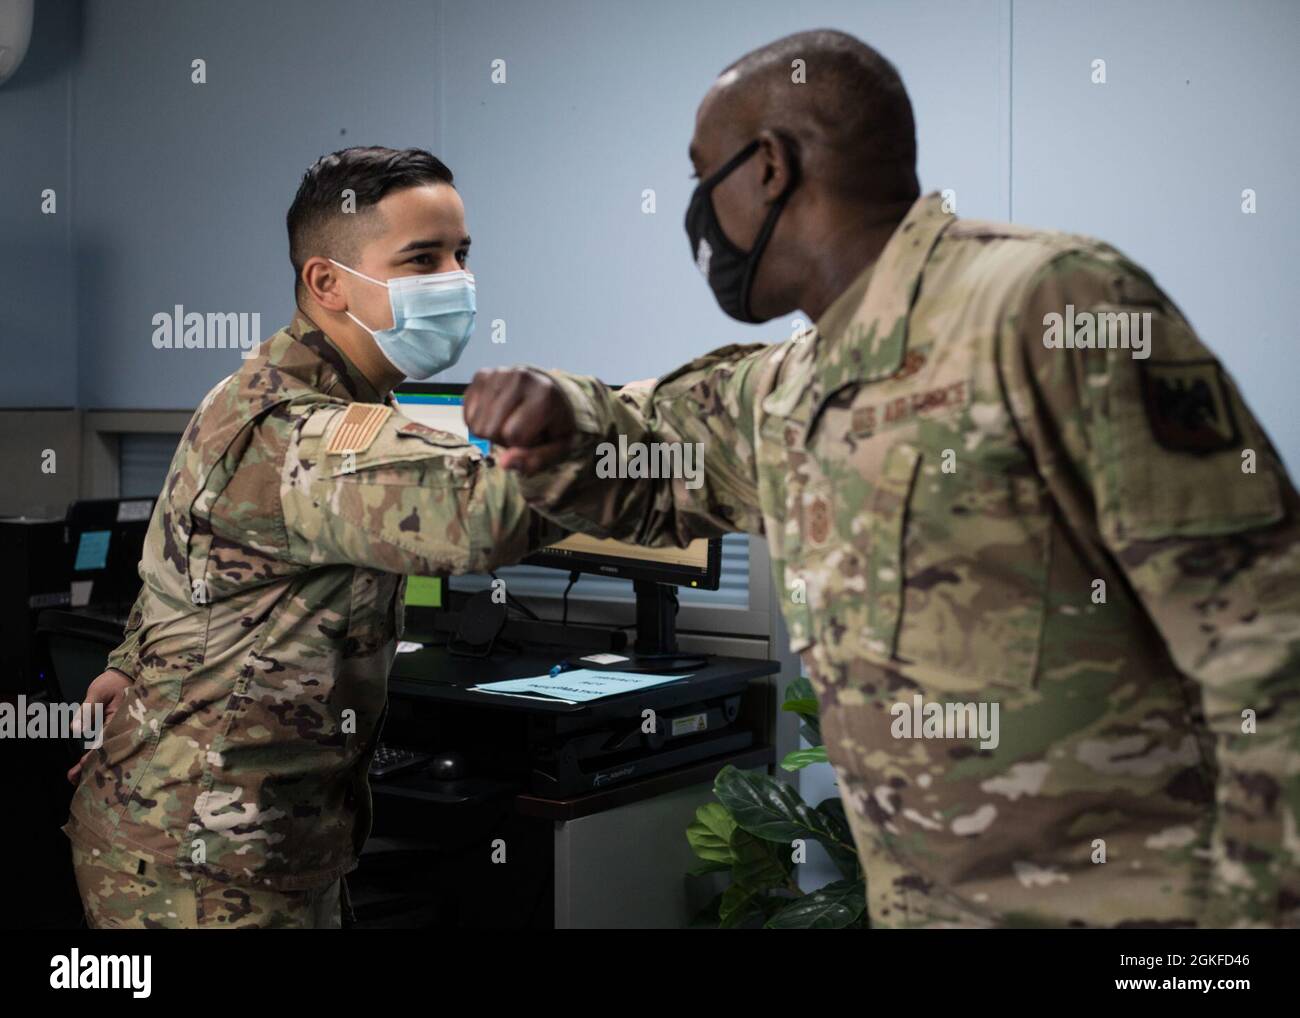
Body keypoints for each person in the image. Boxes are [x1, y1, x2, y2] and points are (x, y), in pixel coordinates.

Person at [463, 31, 1300, 928]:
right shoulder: (793, 384)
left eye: (706, 180)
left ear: (771, 169)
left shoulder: (1048, 304)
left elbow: (1264, 637)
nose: (701, 216)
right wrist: (554, 416)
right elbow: (651, 457)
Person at [65, 146, 565, 928]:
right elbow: (485, 514)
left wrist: (133, 664)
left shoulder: (271, 384)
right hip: (207, 861)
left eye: (460, 255)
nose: (455, 280)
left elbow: (188, 558)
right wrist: (644, 444)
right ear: (327, 283)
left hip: (256, 838)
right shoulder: (301, 427)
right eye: (421, 258)